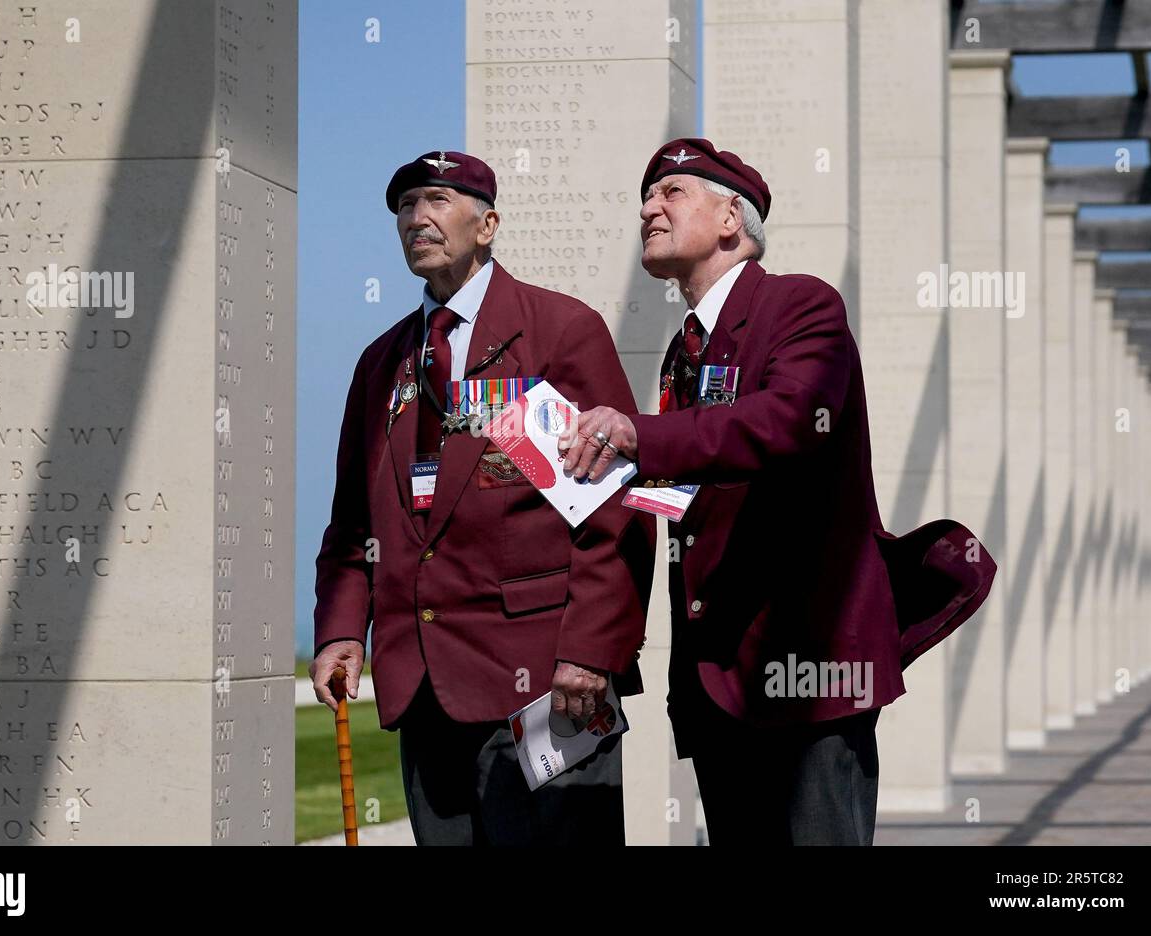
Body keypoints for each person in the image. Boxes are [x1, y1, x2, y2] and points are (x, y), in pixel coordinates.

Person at [561, 138, 996, 845]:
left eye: (671, 193)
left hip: (808, 669)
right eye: (646, 197)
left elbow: (789, 420)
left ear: (731, 219)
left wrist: (642, 436)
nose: (648, 209)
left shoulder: (801, 304)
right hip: (716, 682)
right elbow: (690, 491)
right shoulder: (683, 352)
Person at [312, 150, 655, 845]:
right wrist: (342, 628)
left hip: (549, 685)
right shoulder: (381, 363)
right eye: (405, 206)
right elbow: (352, 522)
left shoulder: (559, 330)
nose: (417, 218)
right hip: (423, 685)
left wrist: (591, 651)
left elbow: (616, 509)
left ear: (488, 224)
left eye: (437, 201)